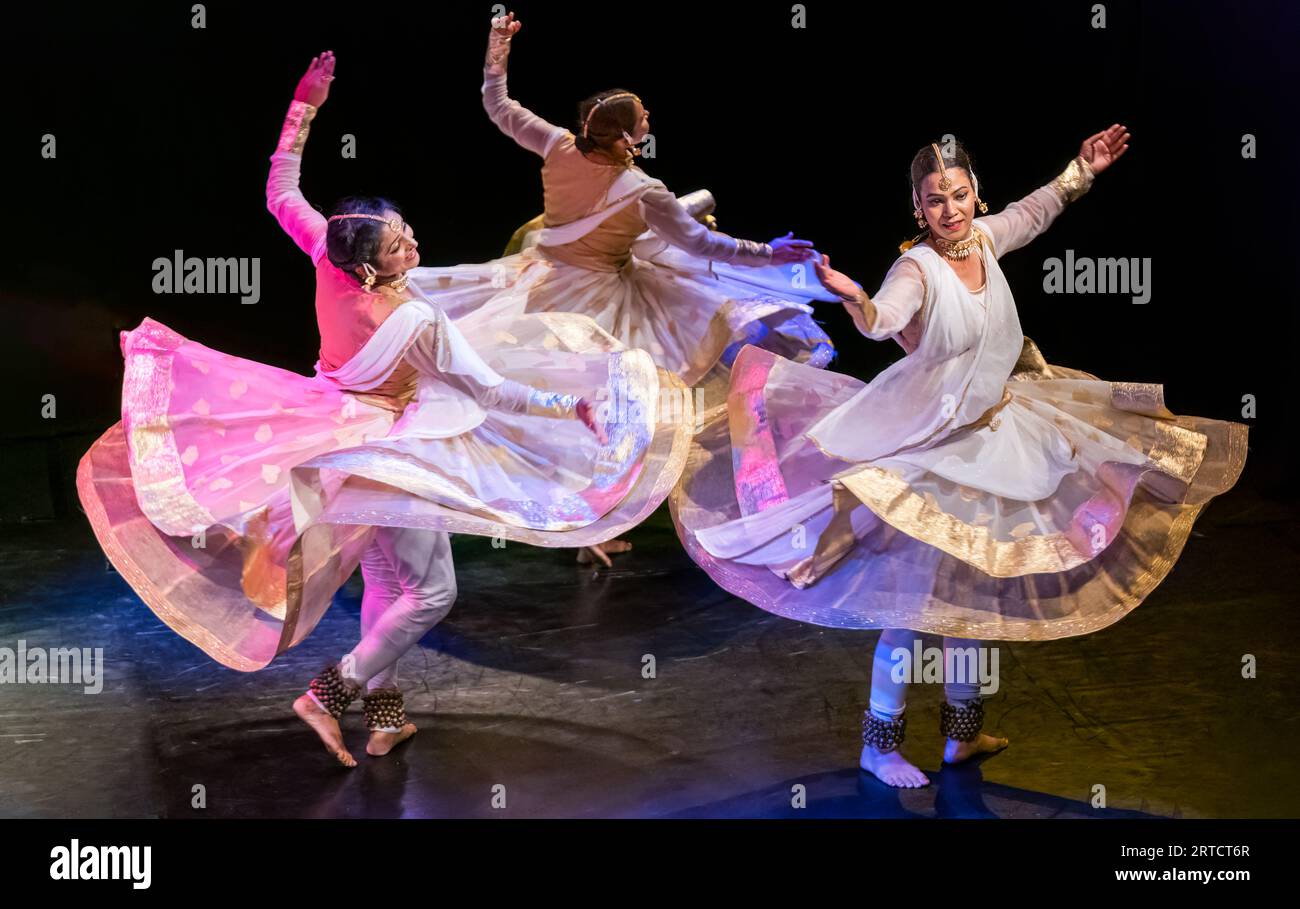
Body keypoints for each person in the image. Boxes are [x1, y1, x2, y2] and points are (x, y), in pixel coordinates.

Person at [77, 51, 694, 767]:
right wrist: (573, 403)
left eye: (407, 231)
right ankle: (327, 693)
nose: (415, 243)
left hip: (337, 434)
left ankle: (387, 717)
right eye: (402, 245)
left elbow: (281, 192)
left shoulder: (327, 257)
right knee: (432, 593)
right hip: (391, 446)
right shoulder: (418, 323)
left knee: (390, 583)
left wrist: (303, 108)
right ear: (371, 264)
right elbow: (491, 391)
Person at [670, 129, 1248, 787]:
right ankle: (878, 744)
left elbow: (1035, 211)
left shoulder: (986, 240)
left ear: (975, 195)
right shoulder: (916, 268)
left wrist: (1081, 171)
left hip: (996, 434)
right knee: (912, 608)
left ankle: (961, 738)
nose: (950, 209)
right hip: (932, 448)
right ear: (918, 209)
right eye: (935, 200)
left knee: (971, 596)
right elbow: (880, 319)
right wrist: (848, 292)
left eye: (959, 194)